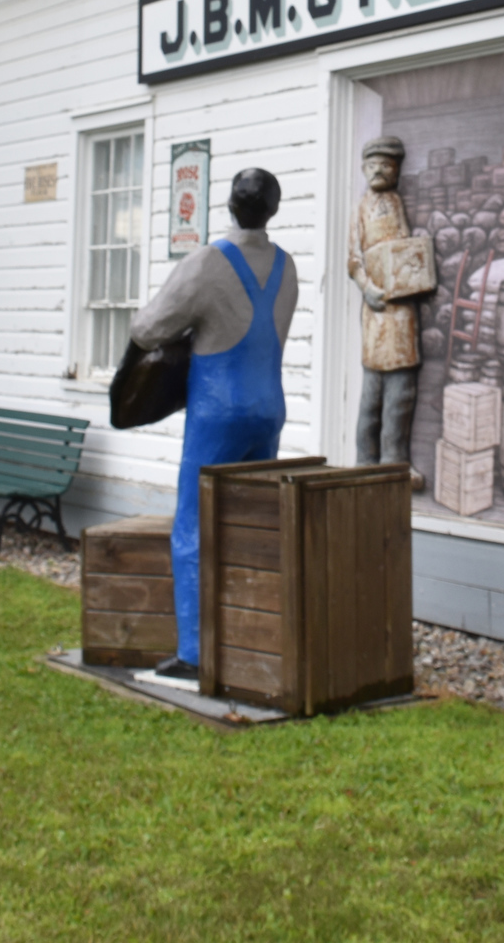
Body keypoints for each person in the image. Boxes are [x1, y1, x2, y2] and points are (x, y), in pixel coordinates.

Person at [128, 166, 299, 686]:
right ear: (273, 209)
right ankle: (252, 637)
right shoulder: (288, 266)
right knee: (251, 526)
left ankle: (194, 652)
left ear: (228, 205)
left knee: (194, 527)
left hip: (218, 412)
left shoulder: (207, 262)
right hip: (269, 406)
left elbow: (149, 327)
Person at [349, 135, 426, 486]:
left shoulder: (395, 202)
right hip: (378, 312)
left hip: (403, 310)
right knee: (373, 394)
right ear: (364, 169)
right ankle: (366, 460)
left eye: (387, 164)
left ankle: (394, 463)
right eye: (373, 164)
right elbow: (353, 259)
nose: (380, 170)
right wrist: (368, 288)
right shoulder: (362, 207)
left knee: (402, 394)